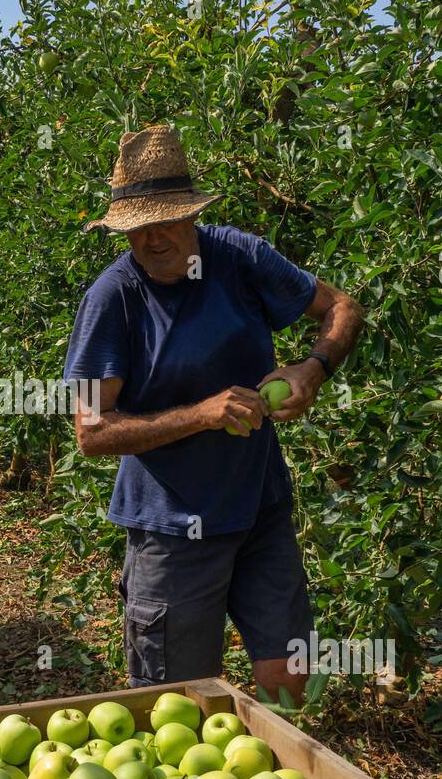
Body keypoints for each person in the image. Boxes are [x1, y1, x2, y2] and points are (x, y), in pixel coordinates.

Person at [63, 124, 364, 705]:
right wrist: (200, 415)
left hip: (260, 510)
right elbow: (92, 433)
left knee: (290, 681)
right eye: (136, 230)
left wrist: (310, 370)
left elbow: (342, 308)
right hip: (172, 529)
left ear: (193, 215)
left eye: (166, 222)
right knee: (177, 702)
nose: (152, 241)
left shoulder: (240, 258)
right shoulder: (115, 297)